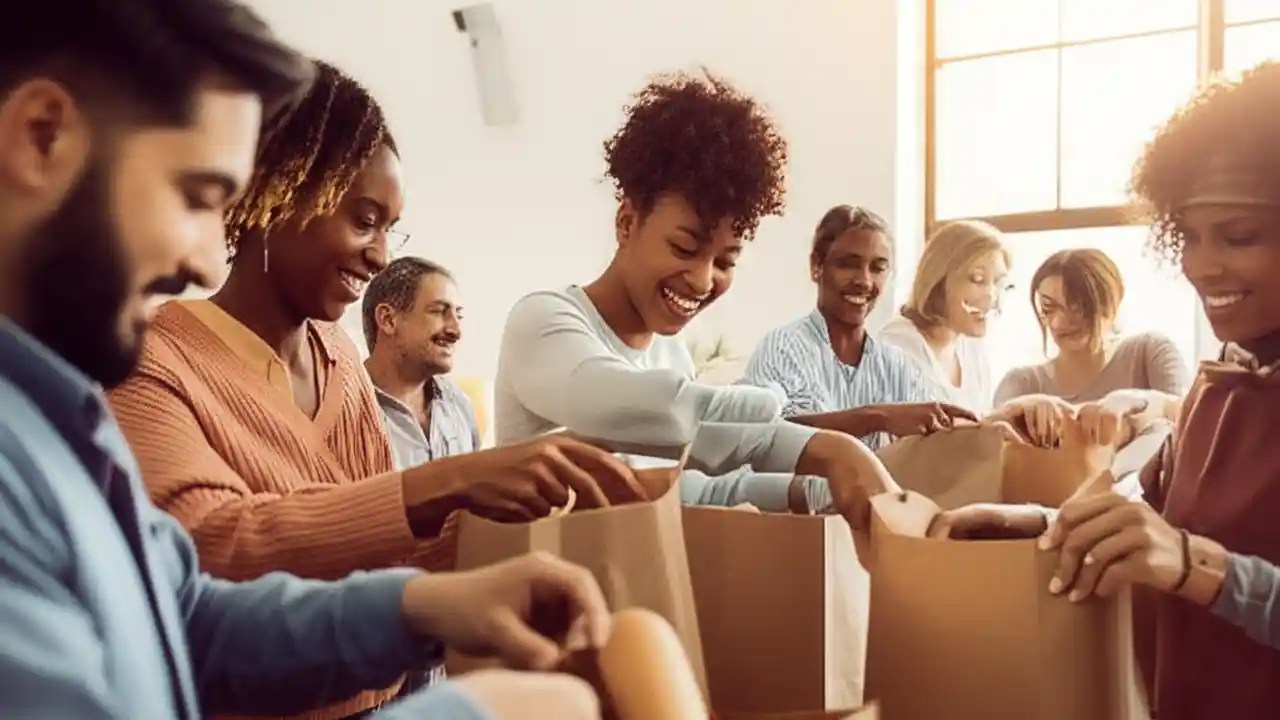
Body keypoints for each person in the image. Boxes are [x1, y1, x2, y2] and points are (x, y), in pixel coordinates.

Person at [0, 2, 608, 719]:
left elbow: (187, 614)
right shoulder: (129, 374)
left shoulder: (60, 413)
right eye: (194, 196)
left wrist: (422, 608)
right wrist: (473, 712)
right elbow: (214, 545)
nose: (203, 257)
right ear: (44, 138)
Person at [952, 62, 1280, 720]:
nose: (1202, 265)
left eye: (1238, 237)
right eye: (1188, 236)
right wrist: (1033, 526)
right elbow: (1149, 526)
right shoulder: (1224, 382)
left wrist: (1199, 569)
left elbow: (1180, 554)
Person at [495, 71, 900, 523]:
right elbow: (640, 408)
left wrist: (811, 490)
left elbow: (682, 488)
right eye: (684, 248)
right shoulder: (543, 321)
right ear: (627, 222)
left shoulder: (671, 355)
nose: (703, 280)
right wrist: (806, 432)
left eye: (725, 261)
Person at [741, 205, 978, 451]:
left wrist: (992, 425)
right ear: (816, 266)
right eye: (848, 264)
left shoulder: (896, 366)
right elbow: (765, 435)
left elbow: (943, 424)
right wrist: (877, 417)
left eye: (878, 268)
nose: (864, 281)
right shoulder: (783, 348)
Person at [990, 248, 1189, 446]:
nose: (1057, 323)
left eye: (1075, 308)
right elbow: (984, 443)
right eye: (1048, 309)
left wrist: (1135, 401)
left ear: (1110, 302)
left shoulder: (1149, 352)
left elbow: (1189, 421)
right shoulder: (1022, 384)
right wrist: (1017, 408)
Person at [878, 219, 1010, 416]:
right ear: (939, 280)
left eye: (999, 283)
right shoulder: (897, 345)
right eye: (977, 279)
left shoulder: (971, 346)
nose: (991, 295)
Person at [363, 257, 480, 470]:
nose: (456, 331)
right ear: (388, 320)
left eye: (458, 315)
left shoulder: (459, 405)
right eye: (438, 311)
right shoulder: (345, 410)